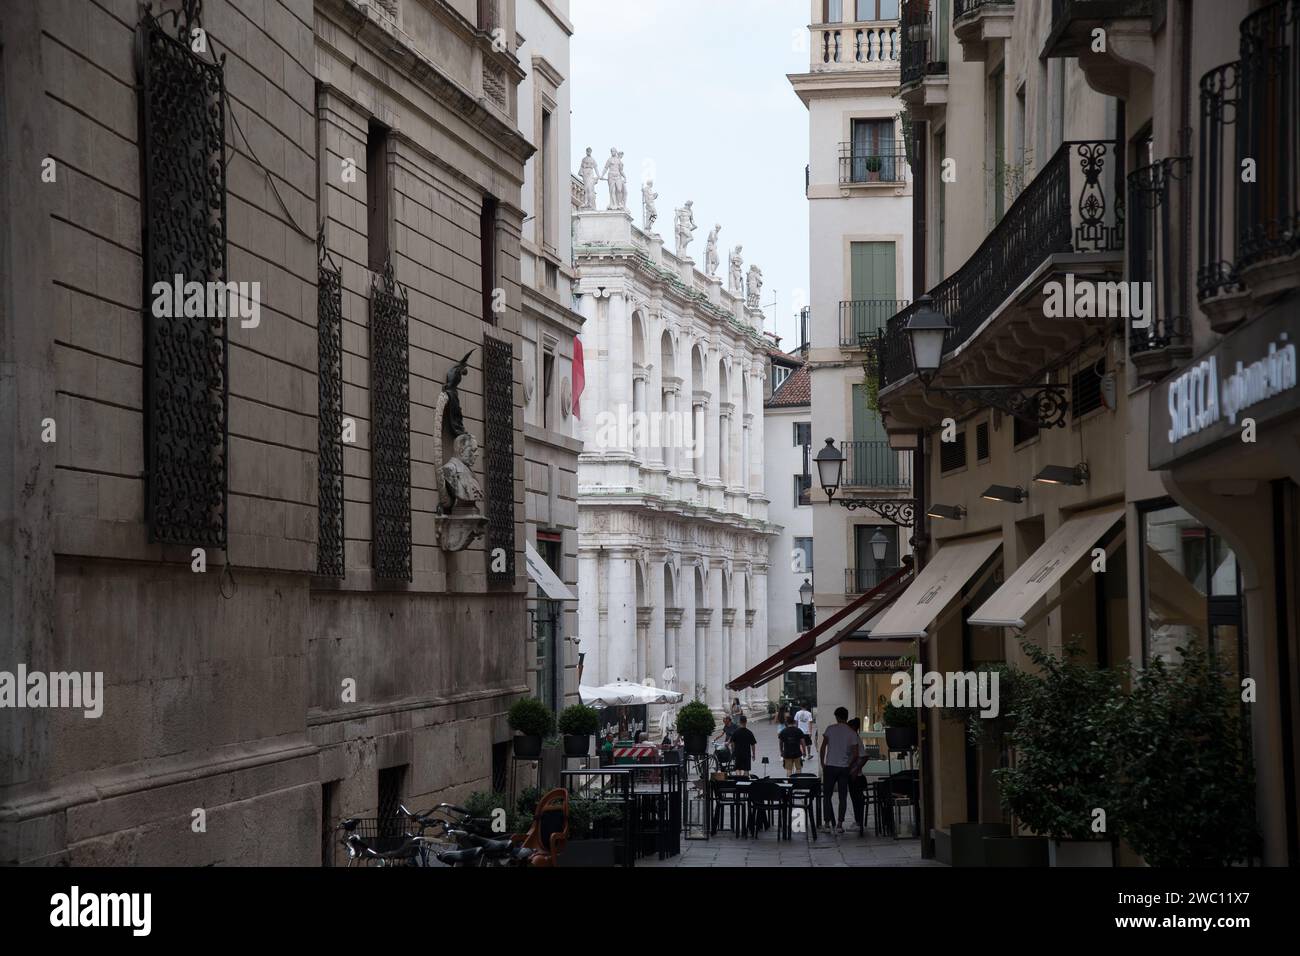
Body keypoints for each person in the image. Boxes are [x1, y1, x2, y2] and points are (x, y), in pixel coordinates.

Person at [819, 706, 862, 834]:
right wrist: (848, 765)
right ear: (846, 717)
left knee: (827, 796)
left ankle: (826, 824)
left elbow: (822, 748)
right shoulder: (851, 732)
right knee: (843, 797)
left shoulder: (830, 729)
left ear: (837, 717)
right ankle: (839, 824)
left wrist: (823, 763)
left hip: (830, 766)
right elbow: (855, 754)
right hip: (843, 768)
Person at [847, 718, 869, 834]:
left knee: (857, 799)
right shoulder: (853, 737)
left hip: (855, 775)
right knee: (855, 798)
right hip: (854, 774)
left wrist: (855, 770)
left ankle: (858, 822)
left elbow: (864, 756)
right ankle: (858, 821)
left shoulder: (855, 738)